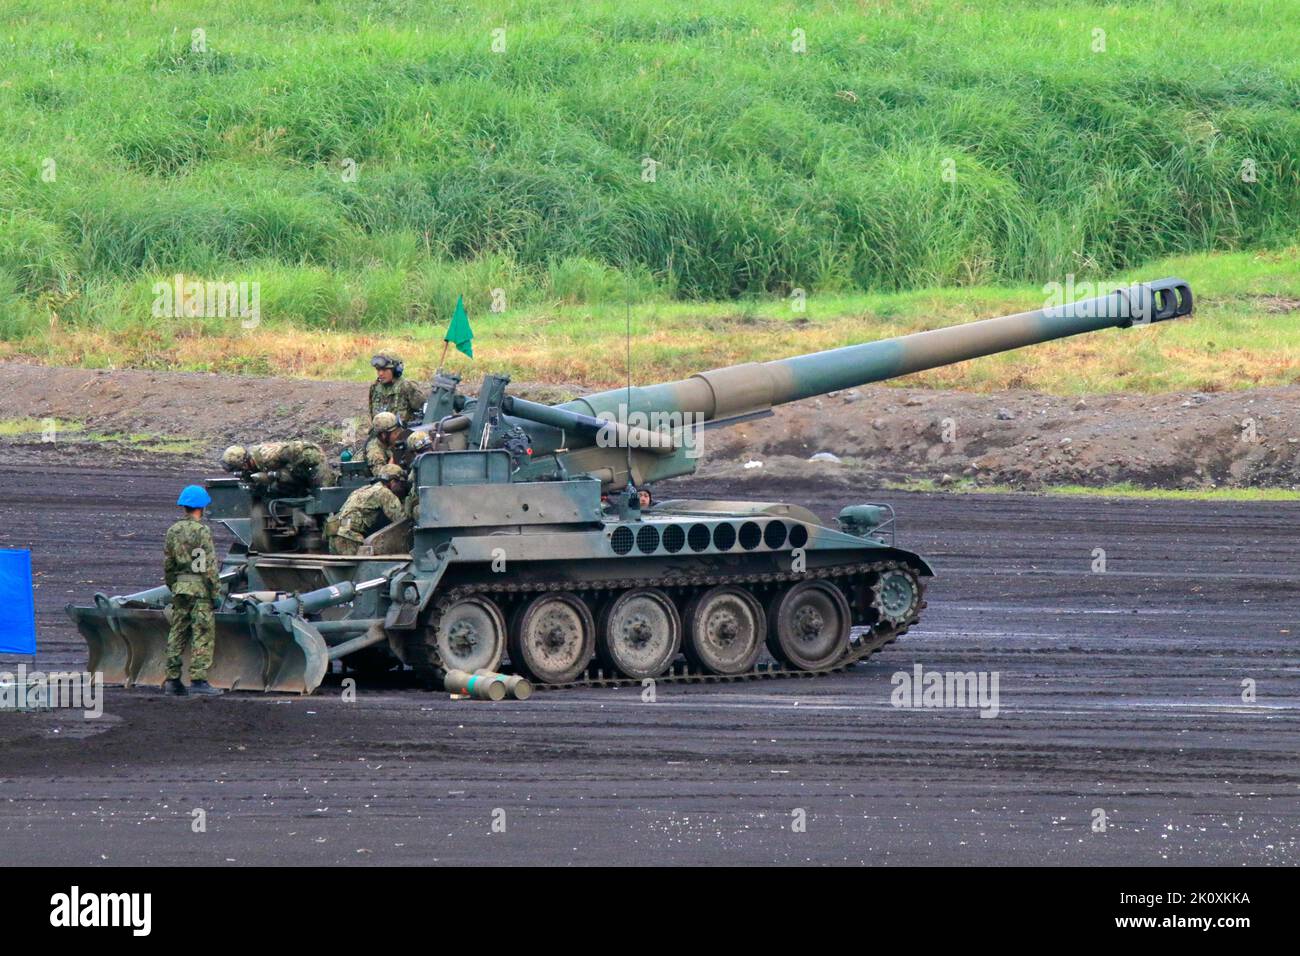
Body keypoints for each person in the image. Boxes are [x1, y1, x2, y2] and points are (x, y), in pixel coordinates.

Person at [163, 485, 223, 697]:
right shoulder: (202, 531)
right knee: (202, 633)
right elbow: (208, 565)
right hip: (199, 590)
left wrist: (174, 585)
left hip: (180, 588)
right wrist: (215, 592)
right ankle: (198, 680)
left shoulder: (173, 531)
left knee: (177, 631)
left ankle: (172, 679)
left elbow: (169, 565)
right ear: (202, 508)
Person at [327, 465, 409, 556]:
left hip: (334, 534)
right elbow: (402, 520)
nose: (401, 487)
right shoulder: (384, 492)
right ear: (393, 481)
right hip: (349, 537)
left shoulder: (362, 489)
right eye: (400, 483)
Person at [222, 441, 335, 494]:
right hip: (297, 467)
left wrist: (288, 472)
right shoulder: (251, 465)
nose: (238, 472)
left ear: (244, 464)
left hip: (311, 460)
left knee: (324, 495)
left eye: (237, 469)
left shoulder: (268, 455)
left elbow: (299, 450)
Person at [369, 354, 424, 426]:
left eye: (385, 370)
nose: (380, 373)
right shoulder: (375, 387)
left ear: (395, 370)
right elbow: (372, 414)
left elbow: (424, 412)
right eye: (378, 370)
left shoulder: (407, 387)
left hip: (402, 434)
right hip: (381, 434)